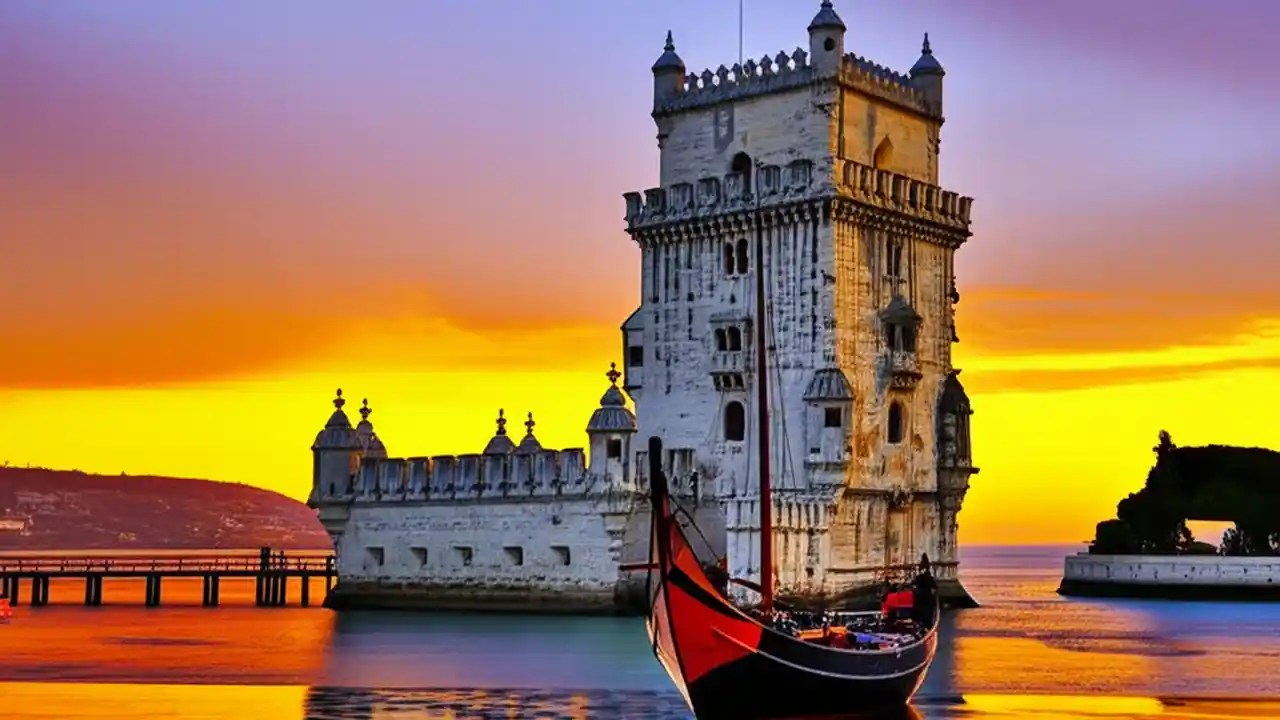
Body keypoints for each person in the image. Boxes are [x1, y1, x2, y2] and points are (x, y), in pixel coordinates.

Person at [911, 553, 938, 628]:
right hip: (926, 597)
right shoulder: (929, 578)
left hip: (920, 598)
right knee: (927, 614)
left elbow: (914, 583)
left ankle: (920, 624)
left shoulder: (919, 578)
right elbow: (935, 587)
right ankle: (927, 625)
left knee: (921, 613)